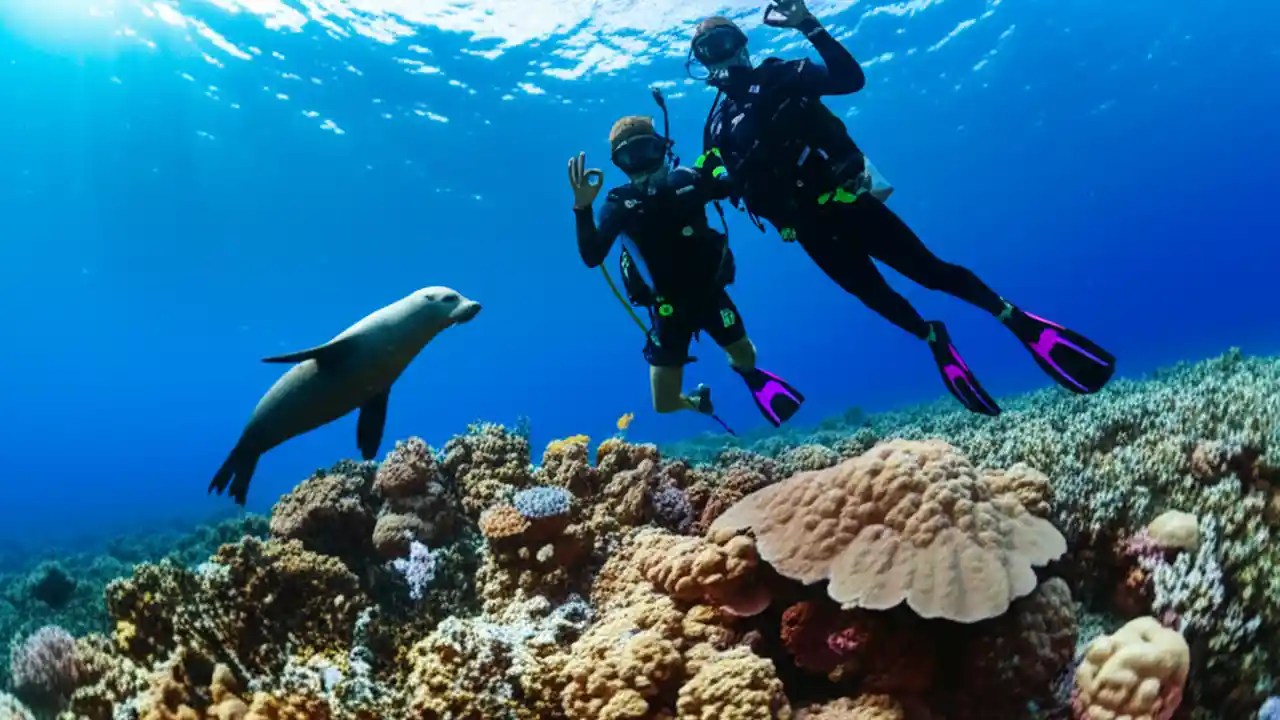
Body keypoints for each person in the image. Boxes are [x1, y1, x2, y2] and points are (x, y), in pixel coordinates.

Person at [686, 1, 1115, 416]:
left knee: (930, 272)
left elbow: (849, 79)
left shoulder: (779, 76)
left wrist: (808, 25)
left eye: (724, 42)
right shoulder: (716, 125)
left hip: (848, 204)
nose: (720, 55)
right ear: (700, 63)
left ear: (742, 45)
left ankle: (1012, 317)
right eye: (707, 50)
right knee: (873, 296)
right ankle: (931, 337)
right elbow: (722, 184)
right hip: (808, 231)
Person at [567, 101, 804, 428]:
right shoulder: (619, 204)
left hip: (710, 294)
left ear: (663, 147)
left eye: (647, 151)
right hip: (667, 310)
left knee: (746, 355)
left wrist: (722, 164)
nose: (641, 165)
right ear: (619, 164)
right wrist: (582, 209)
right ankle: (696, 402)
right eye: (629, 158)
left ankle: (749, 375)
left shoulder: (689, 180)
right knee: (664, 404)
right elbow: (593, 257)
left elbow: (735, 185)